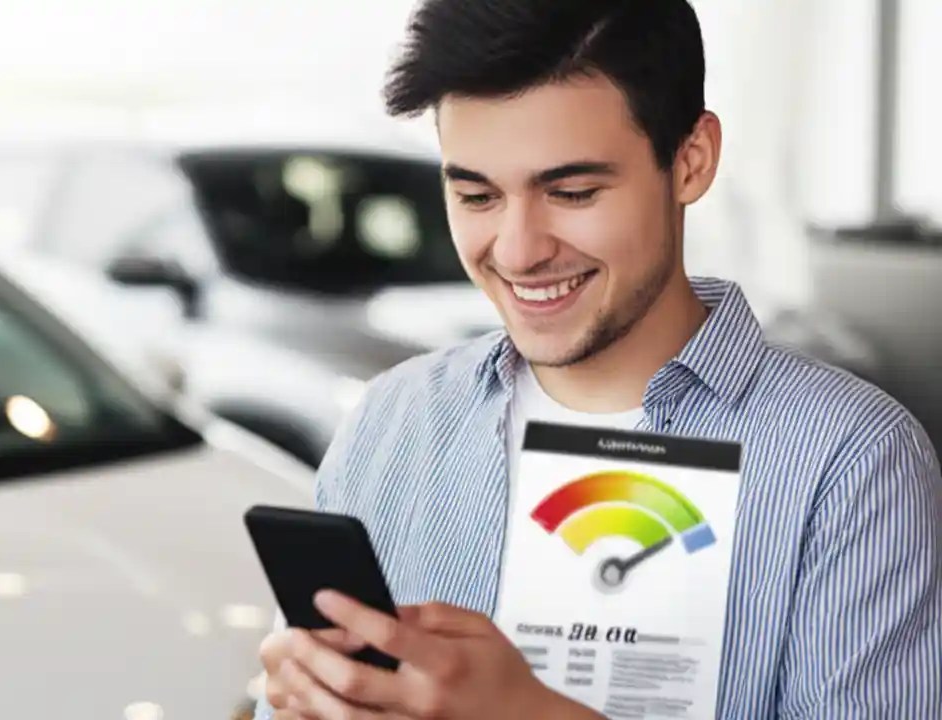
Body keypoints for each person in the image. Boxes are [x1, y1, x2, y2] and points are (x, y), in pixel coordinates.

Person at [253, 0, 942, 718]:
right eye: (477, 195)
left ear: (691, 161)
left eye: (572, 192)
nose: (518, 250)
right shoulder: (394, 421)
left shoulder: (851, 462)